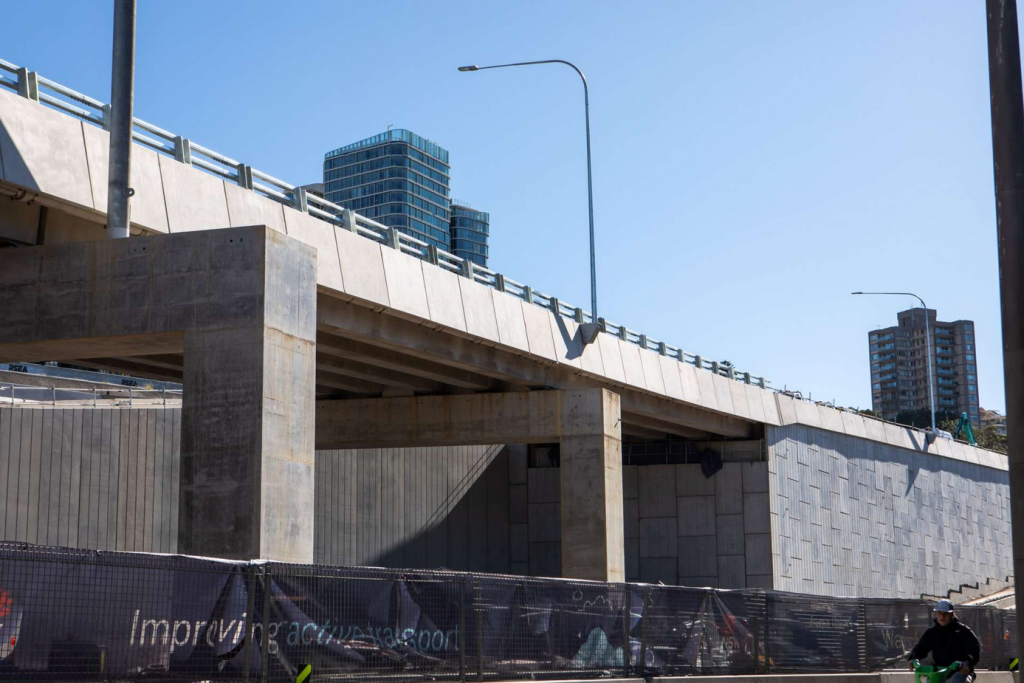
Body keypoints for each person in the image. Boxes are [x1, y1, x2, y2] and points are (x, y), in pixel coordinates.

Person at [906, 599, 981, 683]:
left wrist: (967, 663)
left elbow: (974, 649)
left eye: (946, 613)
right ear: (936, 614)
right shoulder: (932, 632)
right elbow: (921, 648)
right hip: (939, 673)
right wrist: (913, 658)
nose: (942, 616)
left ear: (952, 614)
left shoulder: (963, 631)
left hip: (960, 671)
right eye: (939, 613)